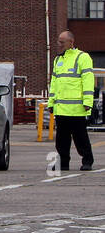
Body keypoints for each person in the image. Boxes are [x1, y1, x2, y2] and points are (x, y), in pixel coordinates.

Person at [48, 30, 95, 172]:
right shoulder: (58, 60)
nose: (59, 45)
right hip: (61, 109)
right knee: (61, 140)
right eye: (58, 42)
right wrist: (51, 103)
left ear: (71, 43)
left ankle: (87, 161)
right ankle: (63, 163)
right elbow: (54, 83)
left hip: (77, 109)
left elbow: (88, 80)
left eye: (62, 42)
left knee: (81, 138)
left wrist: (88, 102)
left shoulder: (82, 57)